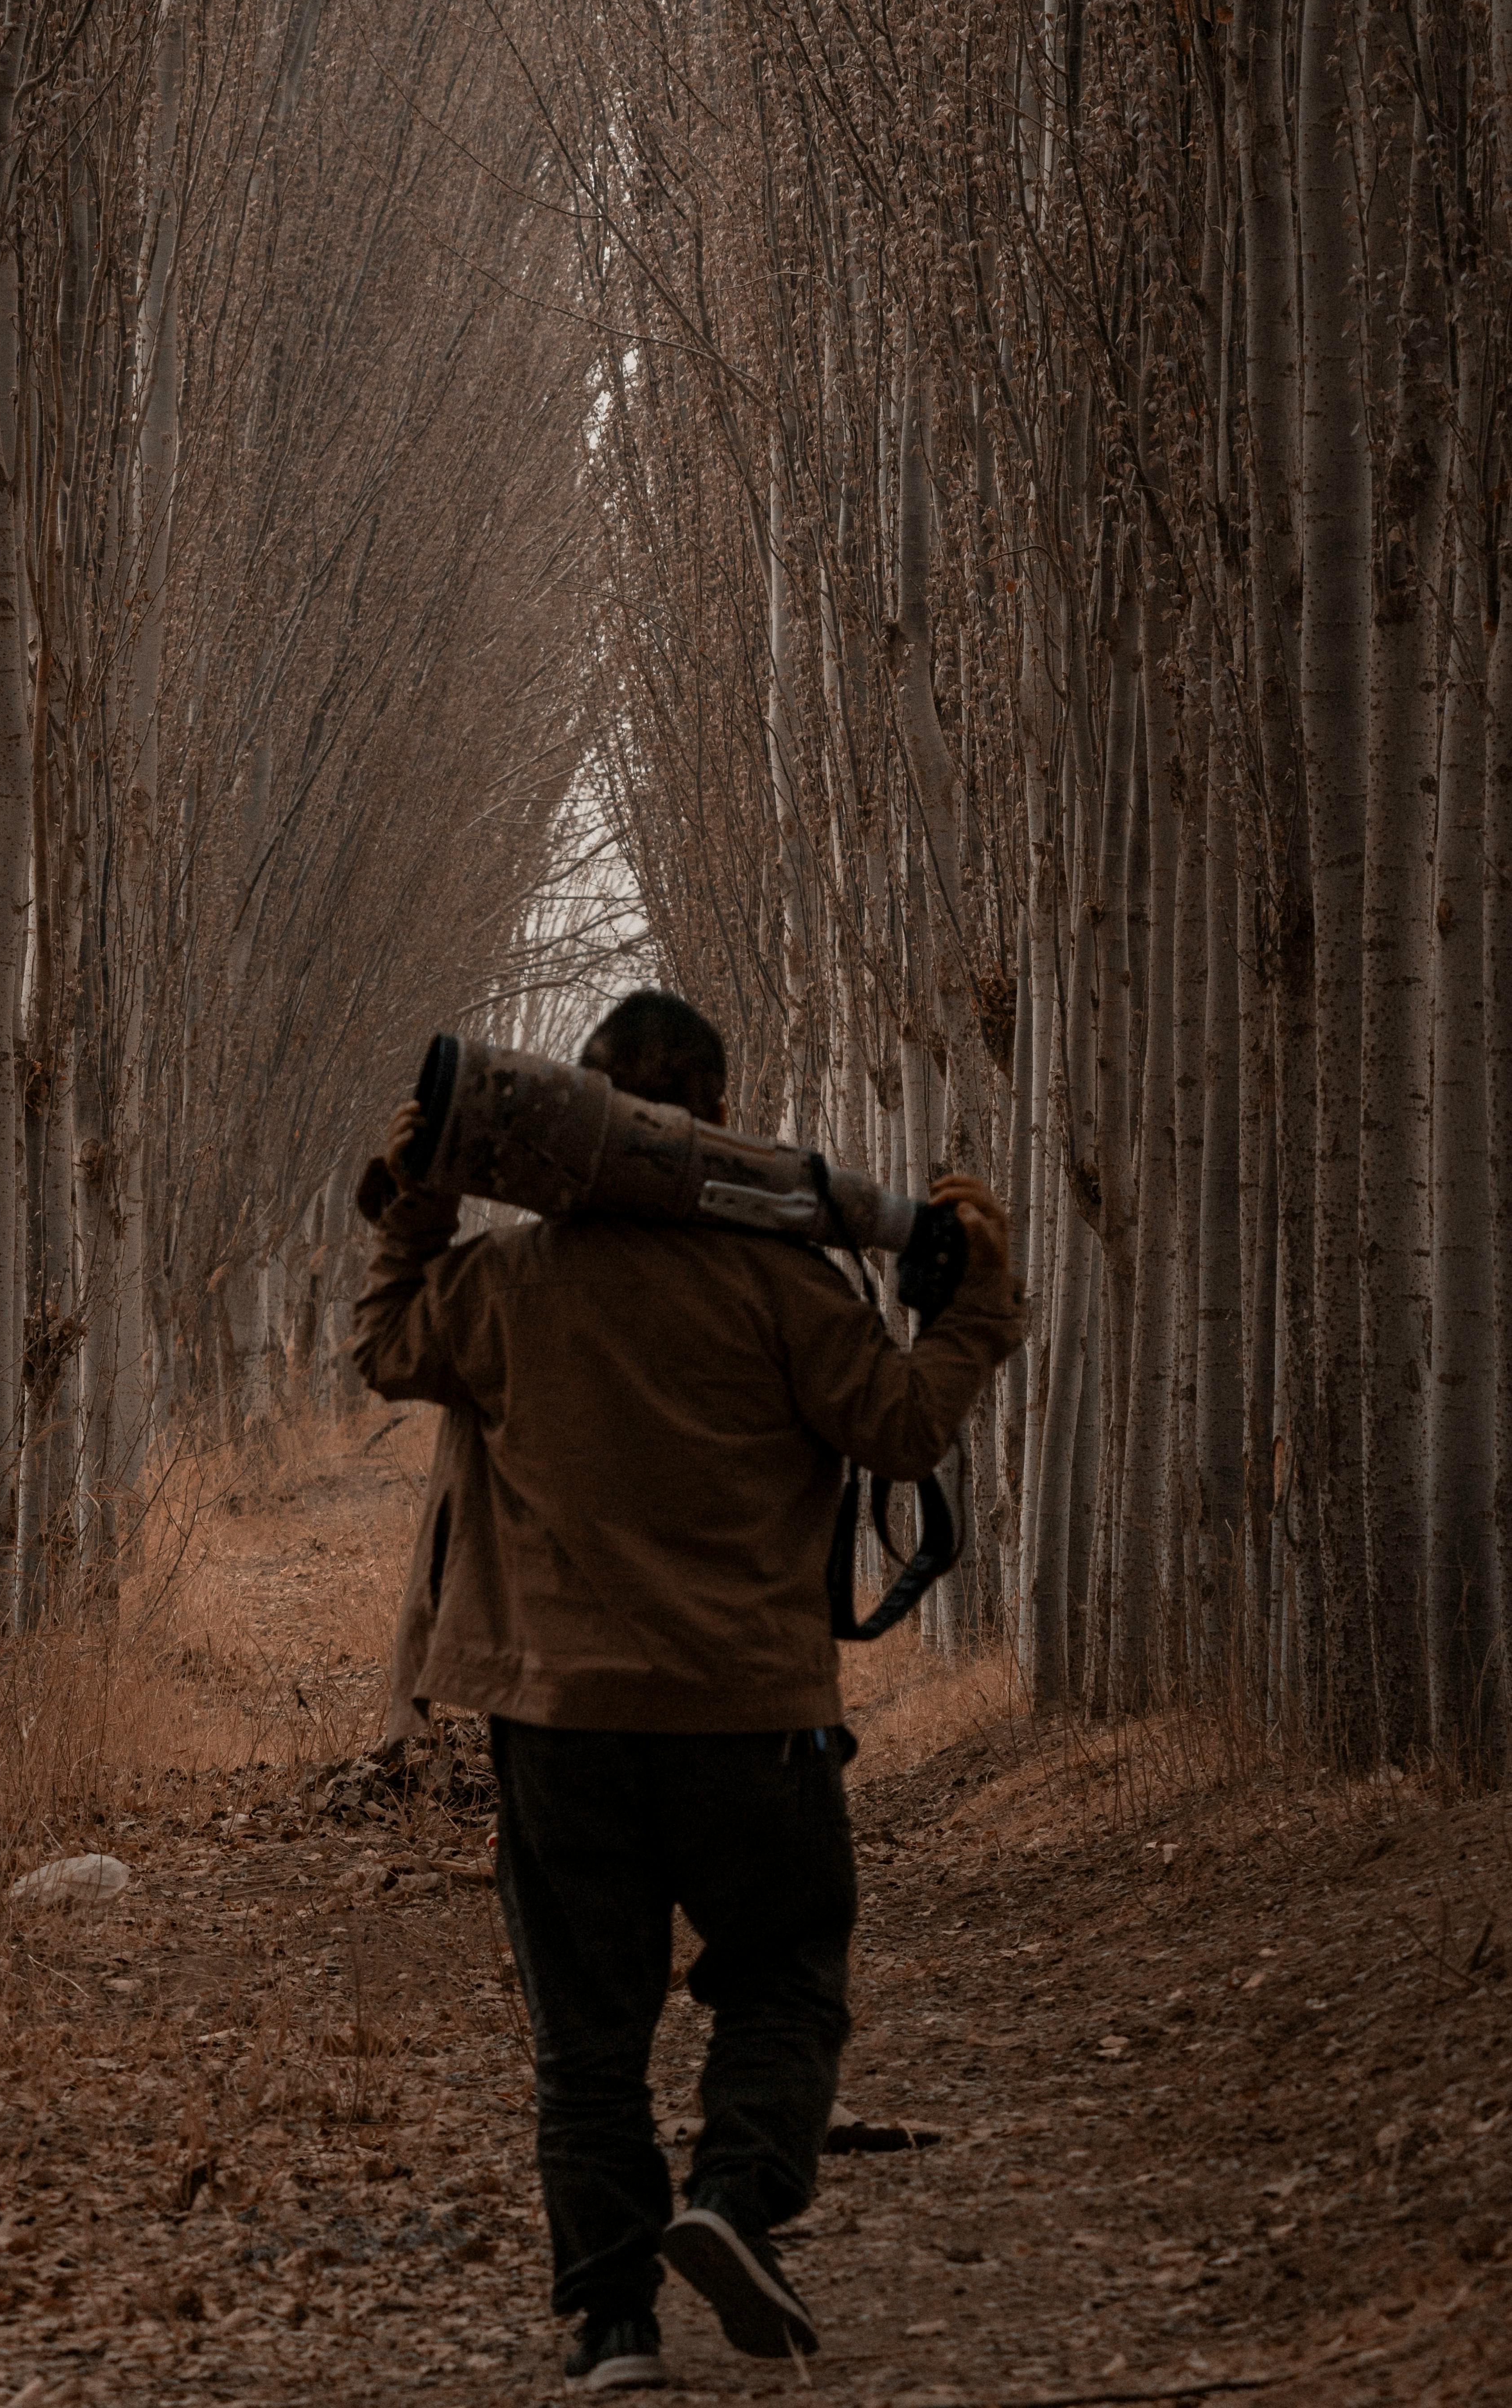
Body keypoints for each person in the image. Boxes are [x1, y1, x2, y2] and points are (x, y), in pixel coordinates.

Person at [352, 988, 1023, 2394]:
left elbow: (387, 1343)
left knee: (585, 2043)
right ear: (717, 1116)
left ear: (574, 1113)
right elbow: (903, 1431)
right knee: (785, 1978)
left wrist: (418, 1201)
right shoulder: (788, 1284)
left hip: (557, 1725)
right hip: (750, 1721)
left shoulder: (507, 1282)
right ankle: (732, 2194)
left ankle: (613, 2328)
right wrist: (977, 1307)